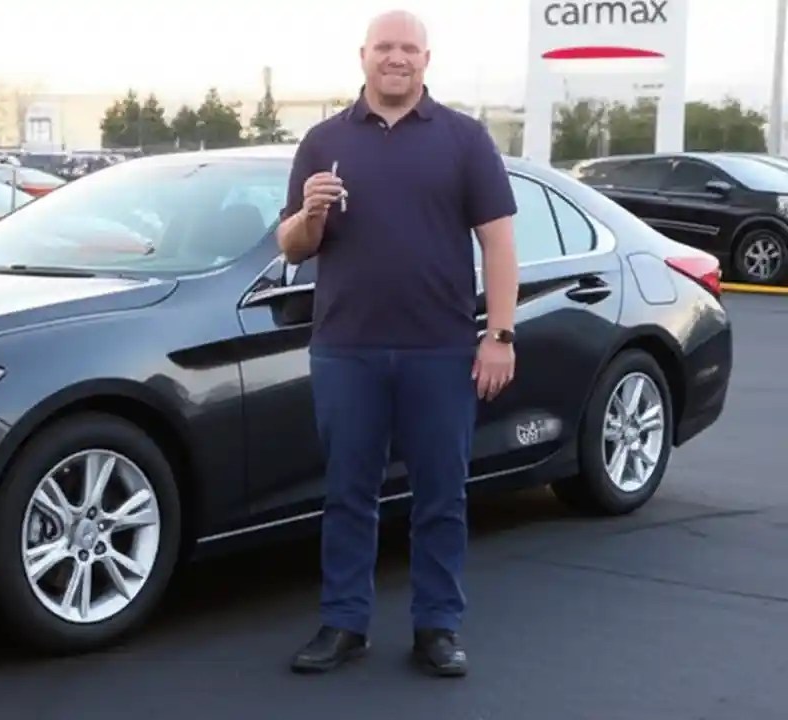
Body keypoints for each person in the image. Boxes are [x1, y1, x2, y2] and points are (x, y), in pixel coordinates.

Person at [280, 9, 519, 677]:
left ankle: (437, 627)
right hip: (345, 349)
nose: (397, 57)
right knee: (347, 492)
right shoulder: (324, 141)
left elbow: (498, 241)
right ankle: (344, 623)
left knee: (442, 495)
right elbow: (294, 247)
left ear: (425, 58)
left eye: (408, 48)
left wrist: (498, 334)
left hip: (440, 350)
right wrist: (310, 213)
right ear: (363, 56)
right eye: (385, 47)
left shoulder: (464, 139)